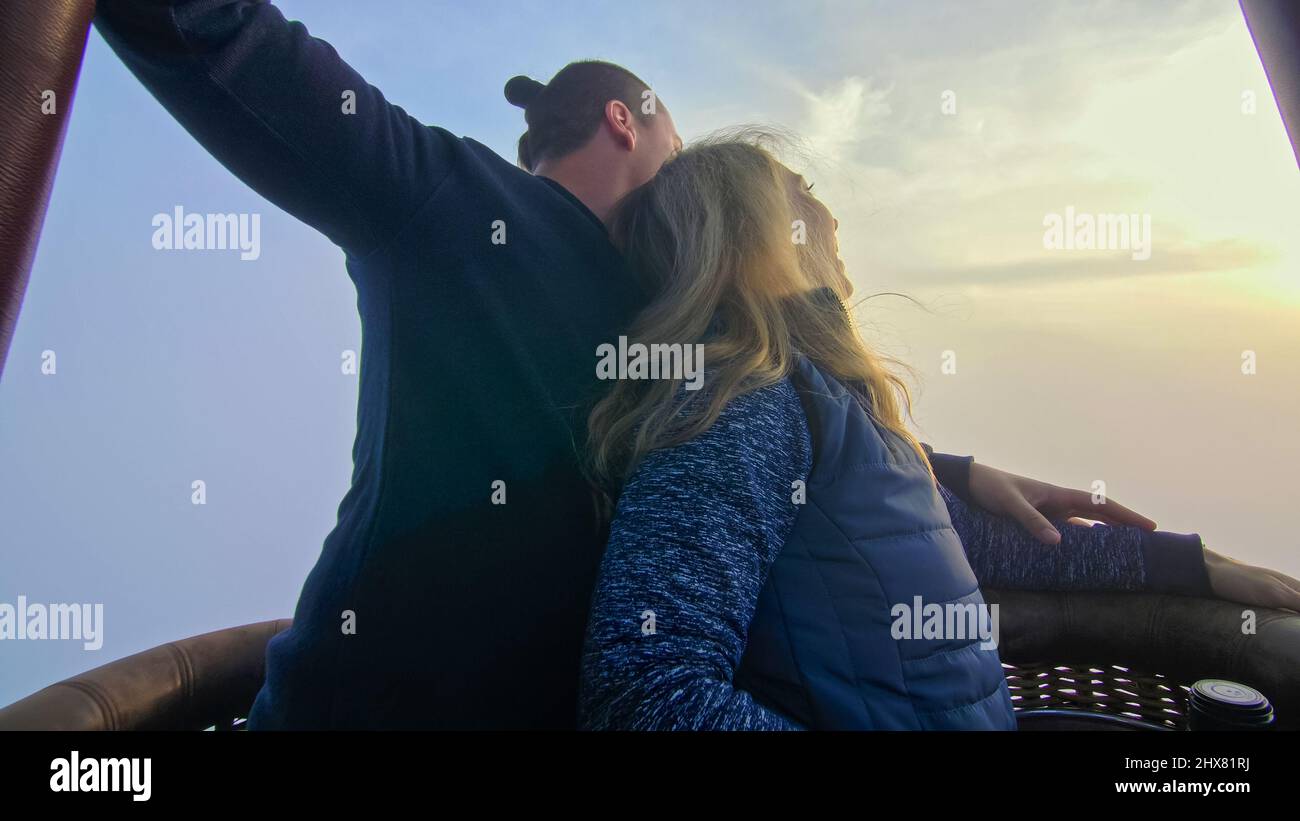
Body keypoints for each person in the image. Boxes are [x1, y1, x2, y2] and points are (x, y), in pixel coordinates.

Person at [95, 0, 1170, 728]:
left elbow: (790, 431)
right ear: (630, 118)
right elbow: (223, 40)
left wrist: (953, 466)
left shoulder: (697, 326)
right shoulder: (455, 207)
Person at [577, 136, 1300, 730]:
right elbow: (643, 693)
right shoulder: (740, 411)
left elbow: (991, 544)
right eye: (801, 186)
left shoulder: (842, 413)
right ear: (763, 228)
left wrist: (1193, 563)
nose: (828, 212)